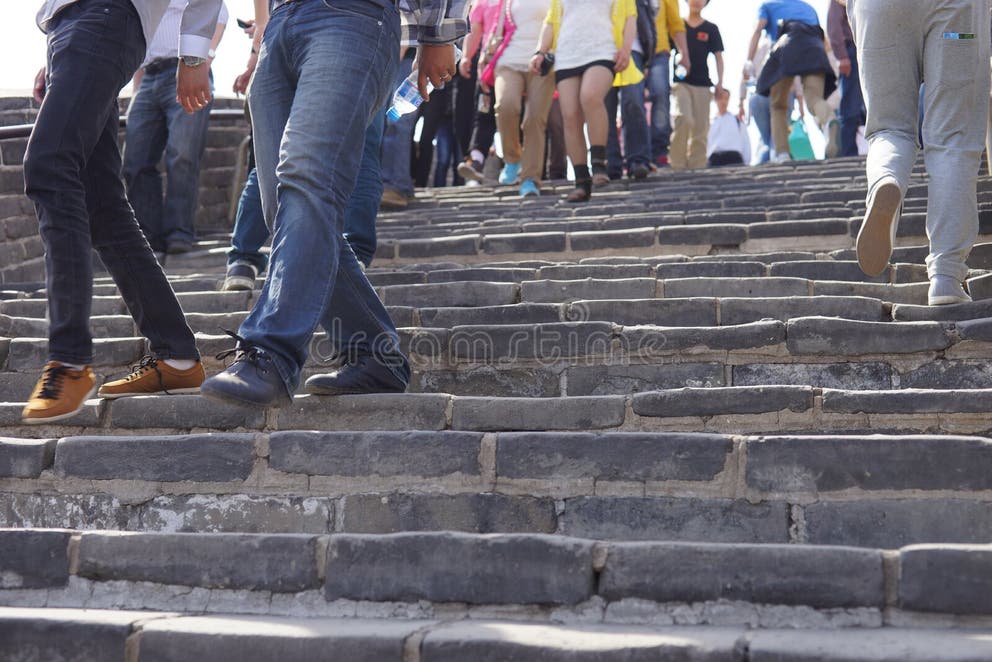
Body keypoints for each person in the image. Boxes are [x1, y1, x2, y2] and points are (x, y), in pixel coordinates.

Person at [201, 0, 467, 408]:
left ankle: (270, 353)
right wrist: (260, 39)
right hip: (279, 25)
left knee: (307, 178)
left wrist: (440, 33)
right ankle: (376, 355)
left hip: (353, 16)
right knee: (284, 208)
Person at [21, 0, 220, 424]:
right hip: (76, 29)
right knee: (104, 207)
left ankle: (69, 362)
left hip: (106, 18)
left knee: (49, 166)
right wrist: (56, 53)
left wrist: (194, 54)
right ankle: (178, 357)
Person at [850, 0, 990, 306]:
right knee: (953, 139)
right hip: (956, 10)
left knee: (888, 129)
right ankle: (945, 276)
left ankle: (887, 179)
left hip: (878, 9)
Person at [122, 0, 228, 256]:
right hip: (148, 76)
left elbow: (218, 15)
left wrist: (203, 60)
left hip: (185, 69)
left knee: (182, 155)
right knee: (135, 160)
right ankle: (148, 235)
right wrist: (137, 90)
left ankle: (178, 233)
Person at [531, 0, 641, 203]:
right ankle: (582, 181)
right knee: (570, 115)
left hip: (603, 49)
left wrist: (626, 49)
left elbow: (630, 16)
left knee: (590, 96)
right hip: (567, 53)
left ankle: (598, 163)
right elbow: (551, 21)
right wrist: (540, 51)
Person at [746, 0, 838, 163]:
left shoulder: (767, 6)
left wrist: (749, 60)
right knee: (814, 99)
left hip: (787, 45)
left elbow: (757, 29)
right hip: (815, 48)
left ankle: (782, 153)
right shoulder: (808, 7)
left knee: (778, 105)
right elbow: (823, 39)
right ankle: (829, 119)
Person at [492, 0, 555, 196]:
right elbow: (497, 29)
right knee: (505, 106)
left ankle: (530, 178)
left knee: (535, 119)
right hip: (509, 60)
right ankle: (512, 159)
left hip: (543, 62)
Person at [668, 0, 724, 171]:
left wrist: (720, 83)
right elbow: (667, 52)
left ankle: (697, 166)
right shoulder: (677, 26)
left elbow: (718, 57)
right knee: (683, 118)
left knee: (701, 128)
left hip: (703, 84)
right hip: (681, 82)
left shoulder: (711, 28)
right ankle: (677, 165)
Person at [605, 0, 655, 181]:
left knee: (633, 101)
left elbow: (648, 21)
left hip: (634, 51)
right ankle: (610, 163)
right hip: (601, 51)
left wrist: (649, 58)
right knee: (604, 108)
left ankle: (638, 160)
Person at [457, 0, 500, 183]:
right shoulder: (483, 2)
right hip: (489, 68)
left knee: (516, 114)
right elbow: (474, 29)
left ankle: (520, 164)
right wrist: (466, 56)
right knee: (482, 113)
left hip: (521, 65)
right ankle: (476, 159)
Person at [645, 0, 687, 167]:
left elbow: (676, 24)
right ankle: (636, 153)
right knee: (631, 101)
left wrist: (684, 53)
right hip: (629, 52)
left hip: (659, 53)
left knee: (661, 96)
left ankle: (660, 152)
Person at [827, 0, 864, 158]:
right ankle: (848, 153)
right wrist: (842, 56)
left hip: (865, 49)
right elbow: (833, 25)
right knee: (850, 106)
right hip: (851, 52)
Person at [707, 87, 750, 166]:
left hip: (734, 158)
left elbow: (745, 141)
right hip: (715, 159)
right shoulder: (710, 123)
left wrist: (747, 162)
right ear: (715, 100)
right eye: (720, 98)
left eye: (726, 98)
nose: (723, 101)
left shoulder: (737, 120)